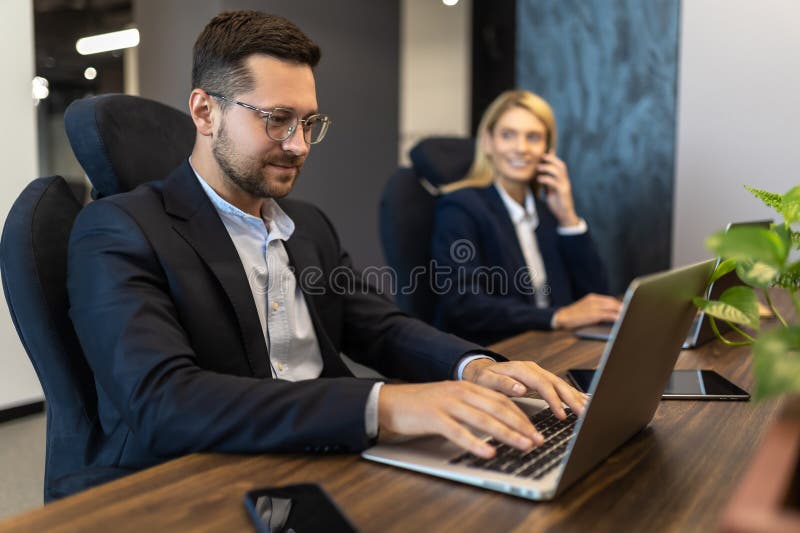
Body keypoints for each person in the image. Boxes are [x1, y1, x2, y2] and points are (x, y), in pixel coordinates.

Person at [65, 11, 586, 497]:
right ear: (205, 112)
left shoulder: (306, 225)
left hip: (327, 459)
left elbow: (379, 327)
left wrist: (470, 366)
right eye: (277, 119)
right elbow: (164, 403)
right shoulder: (118, 230)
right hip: (199, 482)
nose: (299, 145)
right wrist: (382, 405)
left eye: (309, 122)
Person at [431, 90, 622, 345]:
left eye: (533, 137)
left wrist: (568, 219)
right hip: (495, 351)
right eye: (508, 135)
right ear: (487, 142)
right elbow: (464, 305)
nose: (521, 149)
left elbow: (596, 298)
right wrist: (557, 316)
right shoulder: (460, 208)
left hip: (551, 344)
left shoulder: (546, 212)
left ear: (548, 149)